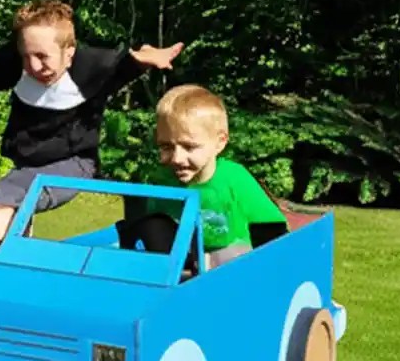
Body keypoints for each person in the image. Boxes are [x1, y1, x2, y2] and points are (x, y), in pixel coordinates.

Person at [0, 0, 184, 267]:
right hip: (28, 166)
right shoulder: (18, 67)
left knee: (16, 194)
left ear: (69, 53)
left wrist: (145, 59)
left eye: (43, 56)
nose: (34, 66)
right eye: (26, 56)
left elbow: (125, 64)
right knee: (1, 196)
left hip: (74, 164)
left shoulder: (92, 67)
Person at [119, 83, 289, 273]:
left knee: (236, 253)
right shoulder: (162, 180)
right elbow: (153, 228)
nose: (177, 158)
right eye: (166, 147)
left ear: (219, 142)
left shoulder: (234, 179)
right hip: (184, 262)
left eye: (189, 147)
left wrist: (270, 271)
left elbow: (271, 229)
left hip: (231, 264)